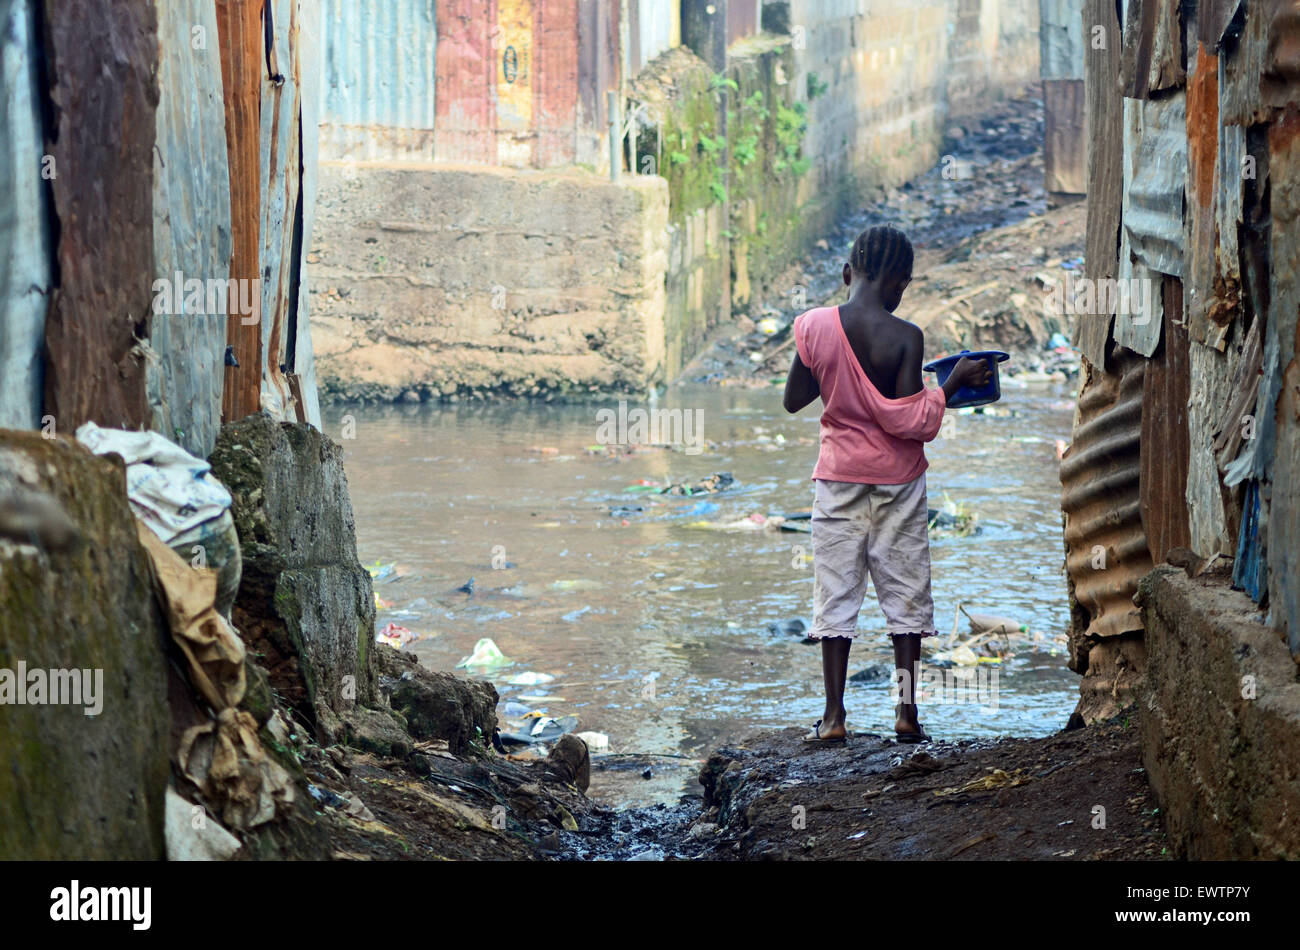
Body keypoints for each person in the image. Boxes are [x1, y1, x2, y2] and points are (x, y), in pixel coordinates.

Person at [783, 224, 992, 744]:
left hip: (837, 480)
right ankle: (907, 715)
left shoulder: (812, 326)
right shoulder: (907, 337)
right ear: (899, 283)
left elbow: (794, 400)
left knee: (835, 595)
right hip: (898, 484)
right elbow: (913, 423)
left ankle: (833, 718)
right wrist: (951, 385)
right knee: (905, 596)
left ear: (847, 273)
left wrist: (825, 360)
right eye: (906, 285)